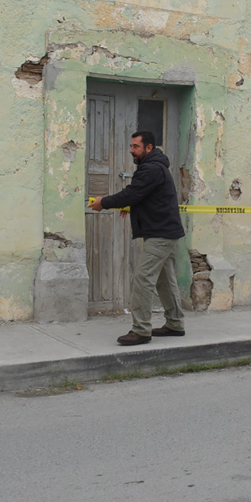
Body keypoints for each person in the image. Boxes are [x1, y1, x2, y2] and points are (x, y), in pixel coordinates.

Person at [87, 131, 186, 346]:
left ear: (148, 148)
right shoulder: (154, 167)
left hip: (161, 234)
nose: (131, 150)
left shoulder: (151, 169)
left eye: (135, 147)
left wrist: (103, 202)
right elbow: (146, 196)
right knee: (164, 280)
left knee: (143, 279)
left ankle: (141, 330)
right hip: (165, 231)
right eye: (131, 146)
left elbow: (133, 193)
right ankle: (175, 323)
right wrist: (131, 206)